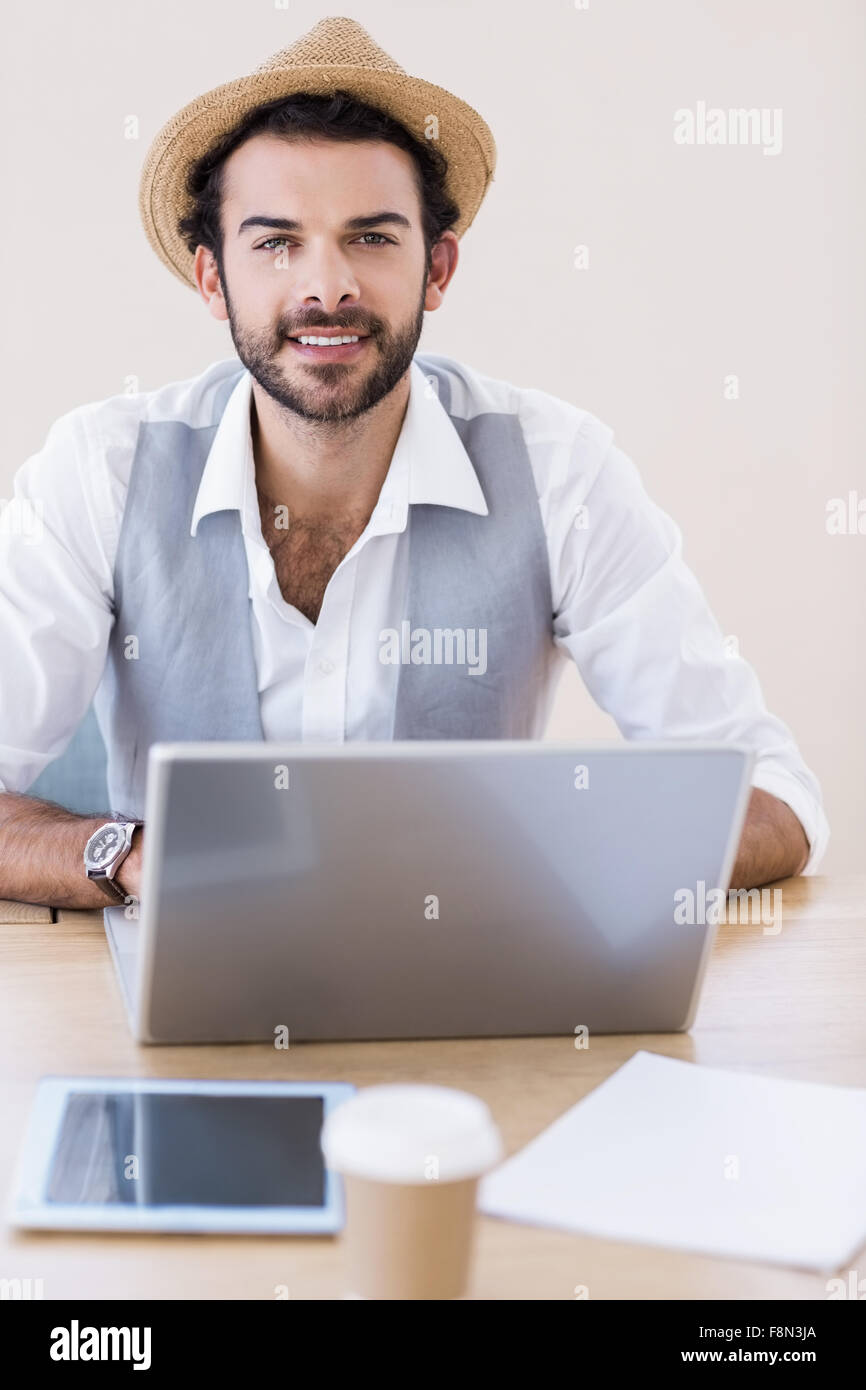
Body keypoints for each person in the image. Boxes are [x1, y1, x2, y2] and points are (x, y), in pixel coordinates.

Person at [0, 17, 827, 909]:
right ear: (213, 279)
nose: (327, 286)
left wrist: (536, 852)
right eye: (276, 242)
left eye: (372, 238)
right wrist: (128, 857)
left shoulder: (561, 474)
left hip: (477, 1005)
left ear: (438, 269)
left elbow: (778, 805)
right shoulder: (101, 472)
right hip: (170, 1025)